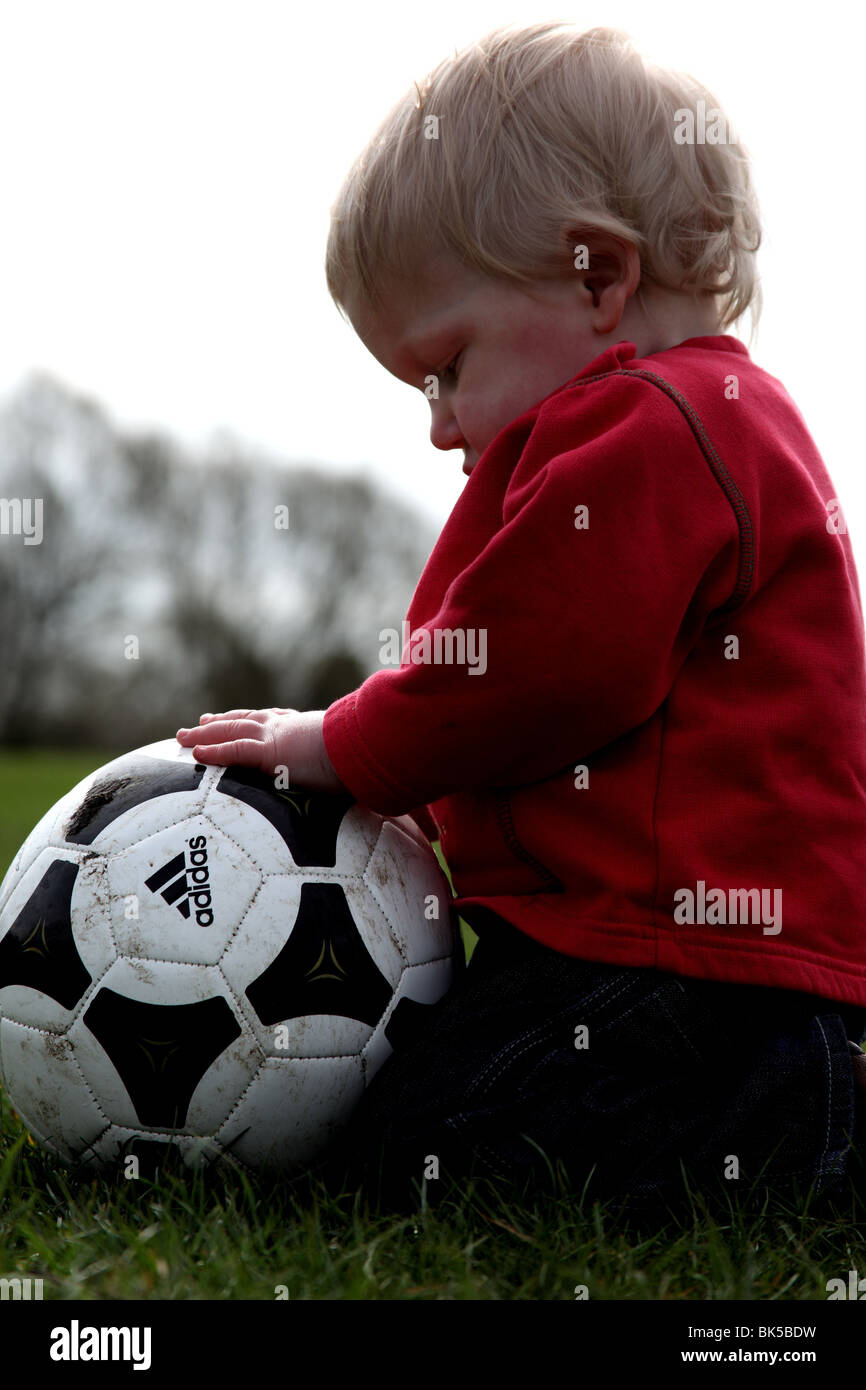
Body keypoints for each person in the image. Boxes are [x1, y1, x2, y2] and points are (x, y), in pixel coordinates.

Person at [177, 22, 866, 1212]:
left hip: (670, 970)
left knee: (420, 1151)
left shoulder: (647, 424)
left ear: (596, 276)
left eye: (444, 366)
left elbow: (541, 666)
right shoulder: (718, 415)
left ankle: (801, 1146)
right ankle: (797, 1119)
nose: (437, 423)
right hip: (711, 968)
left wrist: (343, 745)